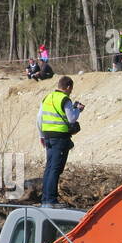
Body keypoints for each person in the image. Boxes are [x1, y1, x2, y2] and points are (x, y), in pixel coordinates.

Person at [38, 76, 82, 206]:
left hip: (48, 136)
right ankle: (51, 200)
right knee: (56, 169)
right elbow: (72, 118)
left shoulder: (47, 98)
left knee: (49, 167)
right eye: (71, 89)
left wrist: (41, 134)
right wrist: (78, 109)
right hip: (60, 137)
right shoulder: (65, 99)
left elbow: (39, 117)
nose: (71, 92)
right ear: (68, 87)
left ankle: (45, 199)